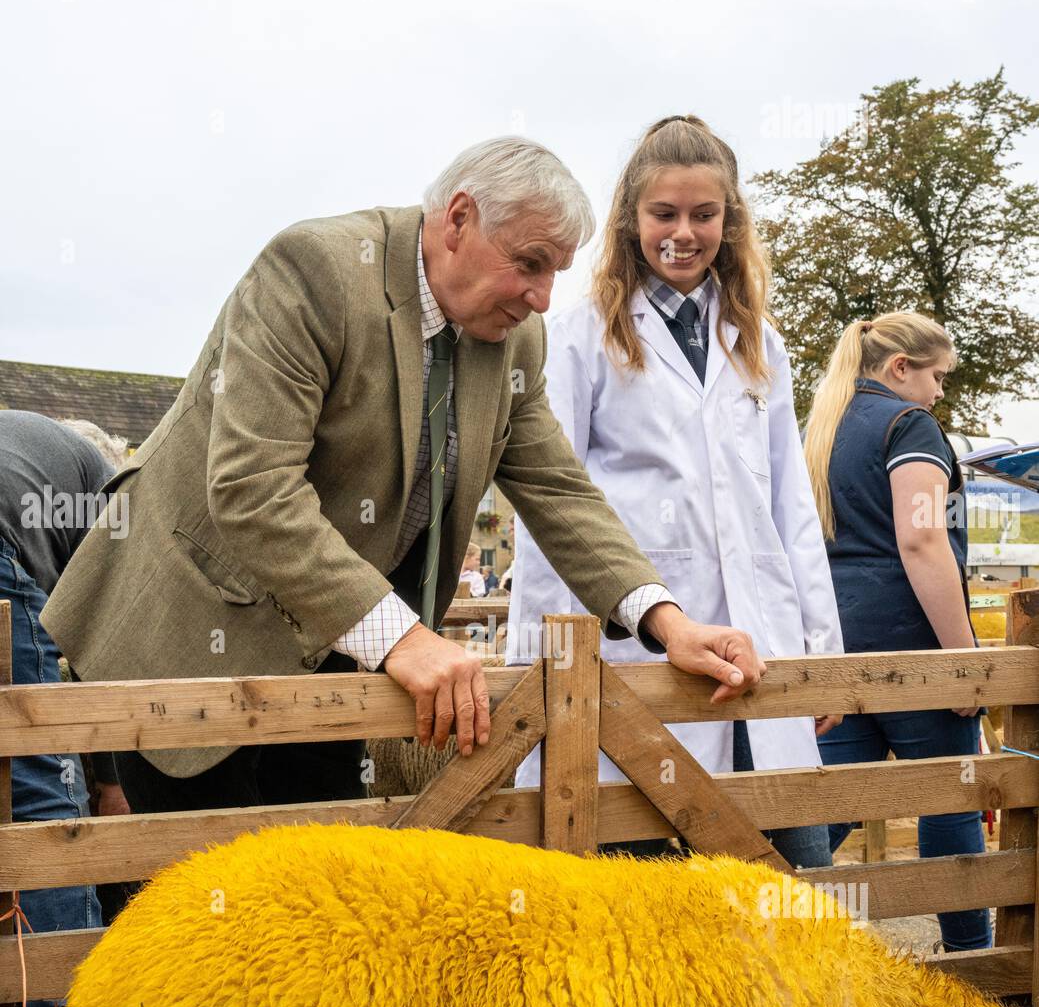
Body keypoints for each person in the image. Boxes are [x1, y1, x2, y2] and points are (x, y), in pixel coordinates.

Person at [42, 137, 766, 815]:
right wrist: (406, 640)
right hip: (190, 629)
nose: (543, 297)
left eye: (555, 273)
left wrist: (665, 623)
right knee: (189, 903)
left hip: (336, 643)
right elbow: (252, 488)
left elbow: (558, 491)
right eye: (530, 262)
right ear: (458, 220)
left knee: (314, 891)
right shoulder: (312, 272)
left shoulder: (513, 339)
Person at [507, 116, 843, 866]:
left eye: (704, 214)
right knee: (644, 876)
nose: (683, 233)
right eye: (664, 213)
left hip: (762, 647)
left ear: (730, 221)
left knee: (792, 872)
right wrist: (540, 663)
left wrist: (819, 651)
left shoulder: (761, 341)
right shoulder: (579, 335)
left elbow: (791, 504)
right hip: (638, 650)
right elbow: (549, 508)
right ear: (631, 218)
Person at [803, 312, 990, 951]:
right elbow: (920, 538)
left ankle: (752, 931)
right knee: (950, 798)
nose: (941, 392)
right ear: (900, 368)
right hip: (911, 643)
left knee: (830, 805)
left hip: (834, 642)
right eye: (937, 376)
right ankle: (977, 973)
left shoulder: (821, 429)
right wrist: (963, 660)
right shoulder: (909, 425)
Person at [0, 410, 116, 1007]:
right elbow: (104, 639)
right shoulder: (104, 487)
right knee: (47, 792)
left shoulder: (31, 449)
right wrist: (114, 781)